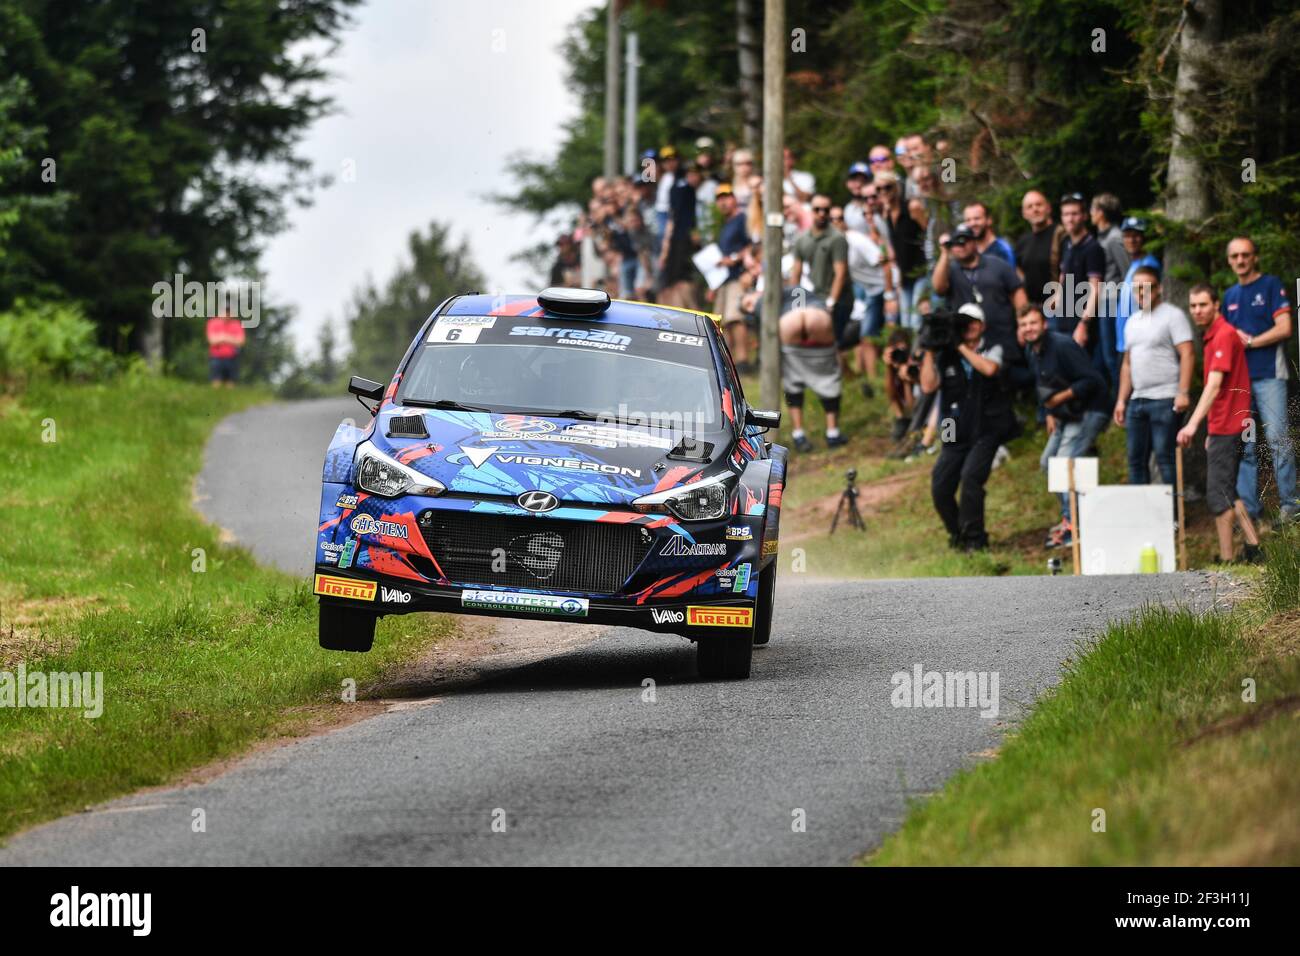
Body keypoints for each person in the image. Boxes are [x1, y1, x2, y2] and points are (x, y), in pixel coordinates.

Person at [919, 304, 1018, 551]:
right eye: (964, 322)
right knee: (940, 485)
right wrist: (930, 350)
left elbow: (989, 369)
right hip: (953, 427)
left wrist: (960, 346)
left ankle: (975, 539)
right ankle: (957, 534)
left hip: (987, 428)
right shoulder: (945, 354)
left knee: (971, 479)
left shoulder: (993, 346)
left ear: (982, 325)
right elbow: (928, 387)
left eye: (974, 321)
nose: (970, 326)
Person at [1177, 284, 1262, 563]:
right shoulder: (1217, 335)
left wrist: (1192, 425)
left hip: (1229, 425)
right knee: (1230, 491)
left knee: (1218, 496)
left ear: (1216, 305)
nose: (1197, 311)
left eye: (1203, 305)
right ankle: (1253, 548)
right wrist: (1211, 429)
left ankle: (1228, 559)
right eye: (1193, 306)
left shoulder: (1223, 335)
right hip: (1225, 425)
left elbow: (1214, 386)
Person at [1220, 236, 1298, 523]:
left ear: (1255, 257)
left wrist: (1250, 342)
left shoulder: (1271, 285)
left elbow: (1285, 327)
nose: (1240, 260)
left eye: (1245, 255)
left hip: (1269, 376)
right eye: (1235, 256)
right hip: (1239, 383)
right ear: (1229, 261)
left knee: (1278, 439)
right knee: (1245, 446)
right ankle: (1250, 514)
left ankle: (1291, 506)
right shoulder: (1228, 296)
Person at [1018, 305, 1109, 549]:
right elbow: (1044, 385)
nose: (1029, 328)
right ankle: (1069, 518)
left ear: (1044, 324)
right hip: (1066, 414)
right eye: (1024, 324)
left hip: (1091, 409)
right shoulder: (1032, 351)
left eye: (1033, 323)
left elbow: (1092, 380)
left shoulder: (1062, 345)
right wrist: (1050, 411)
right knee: (1048, 463)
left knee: (1065, 466)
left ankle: (1076, 526)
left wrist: (1059, 399)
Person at [1112, 267, 1194, 486]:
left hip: (1165, 398)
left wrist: (1183, 392)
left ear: (1159, 289)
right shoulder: (1132, 322)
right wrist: (1121, 400)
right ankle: (1144, 515)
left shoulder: (1172, 315)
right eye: (1137, 289)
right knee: (1135, 460)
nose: (1141, 293)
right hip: (1137, 400)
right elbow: (1127, 364)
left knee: (1165, 458)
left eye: (1146, 288)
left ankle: (1173, 516)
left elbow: (1187, 353)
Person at [931, 223, 1027, 354]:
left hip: (1002, 338)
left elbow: (1018, 293)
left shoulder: (997, 264)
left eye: (966, 240)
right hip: (967, 344)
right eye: (957, 242)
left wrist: (1023, 325)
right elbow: (938, 288)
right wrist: (944, 253)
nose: (962, 245)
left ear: (974, 242)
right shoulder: (949, 270)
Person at [777, 296, 845, 451]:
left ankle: (798, 435)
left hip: (789, 325)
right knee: (828, 380)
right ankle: (833, 433)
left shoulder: (772, 297)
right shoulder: (813, 294)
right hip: (818, 321)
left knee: (793, 384)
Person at [790, 194, 849, 340]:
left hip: (839, 299)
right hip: (816, 297)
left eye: (826, 210)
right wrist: (795, 303)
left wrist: (831, 303)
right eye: (817, 209)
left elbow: (840, 273)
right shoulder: (802, 239)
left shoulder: (837, 238)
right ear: (811, 211)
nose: (822, 213)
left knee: (833, 343)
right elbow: (796, 272)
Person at [1090, 193, 1129, 387]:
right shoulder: (1100, 237)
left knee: (1110, 354)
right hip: (1101, 301)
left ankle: (1121, 401)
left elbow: (1127, 271)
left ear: (1101, 213)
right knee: (1100, 355)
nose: (1090, 214)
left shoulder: (1114, 238)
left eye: (1093, 209)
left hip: (1113, 301)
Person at [713, 182, 752, 370]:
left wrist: (735, 259)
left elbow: (753, 245)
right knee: (722, 322)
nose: (723, 202)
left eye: (726, 197)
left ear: (734, 199)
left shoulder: (742, 219)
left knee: (736, 318)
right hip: (724, 279)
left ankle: (743, 360)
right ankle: (732, 362)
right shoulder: (726, 224)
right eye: (719, 199)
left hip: (738, 275)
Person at [1113, 217, 1161, 354]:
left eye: (1136, 236)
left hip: (1137, 343)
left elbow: (1147, 305)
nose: (1131, 240)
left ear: (1144, 238)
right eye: (1127, 236)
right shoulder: (1135, 264)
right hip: (1127, 341)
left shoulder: (1148, 265)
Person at [658, 162, 701, 309]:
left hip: (682, 242)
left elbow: (672, 218)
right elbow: (673, 218)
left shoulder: (681, 189)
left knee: (681, 282)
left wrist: (665, 248)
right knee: (676, 282)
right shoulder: (685, 190)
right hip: (680, 241)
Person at [1014, 190, 1063, 309]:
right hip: (1033, 309)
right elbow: (1019, 270)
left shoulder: (1061, 234)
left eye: (1039, 204)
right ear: (1024, 213)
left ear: (1048, 208)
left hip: (1059, 307)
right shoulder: (1023, 241)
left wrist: (1058, 297)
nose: (1035, 209)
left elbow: (1068, 268)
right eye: (1029, 207)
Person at [962, 201, 1016, 267]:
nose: (972, 223)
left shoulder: (1002, 249)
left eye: (977, 218)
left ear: (989, 220)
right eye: (968, 220)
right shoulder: (967, 251)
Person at [206, 311, 246, 387]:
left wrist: (223, 337)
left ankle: (230, 398)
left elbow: (241, 341)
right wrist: (232, 339)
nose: (227, 314)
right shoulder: (212, 322)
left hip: (232, 357)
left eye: (229, 312)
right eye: (225, 312)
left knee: (231, 381)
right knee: (216, 380)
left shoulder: (236, 324)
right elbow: (212, 341)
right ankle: (216, 396)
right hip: (216, 357)